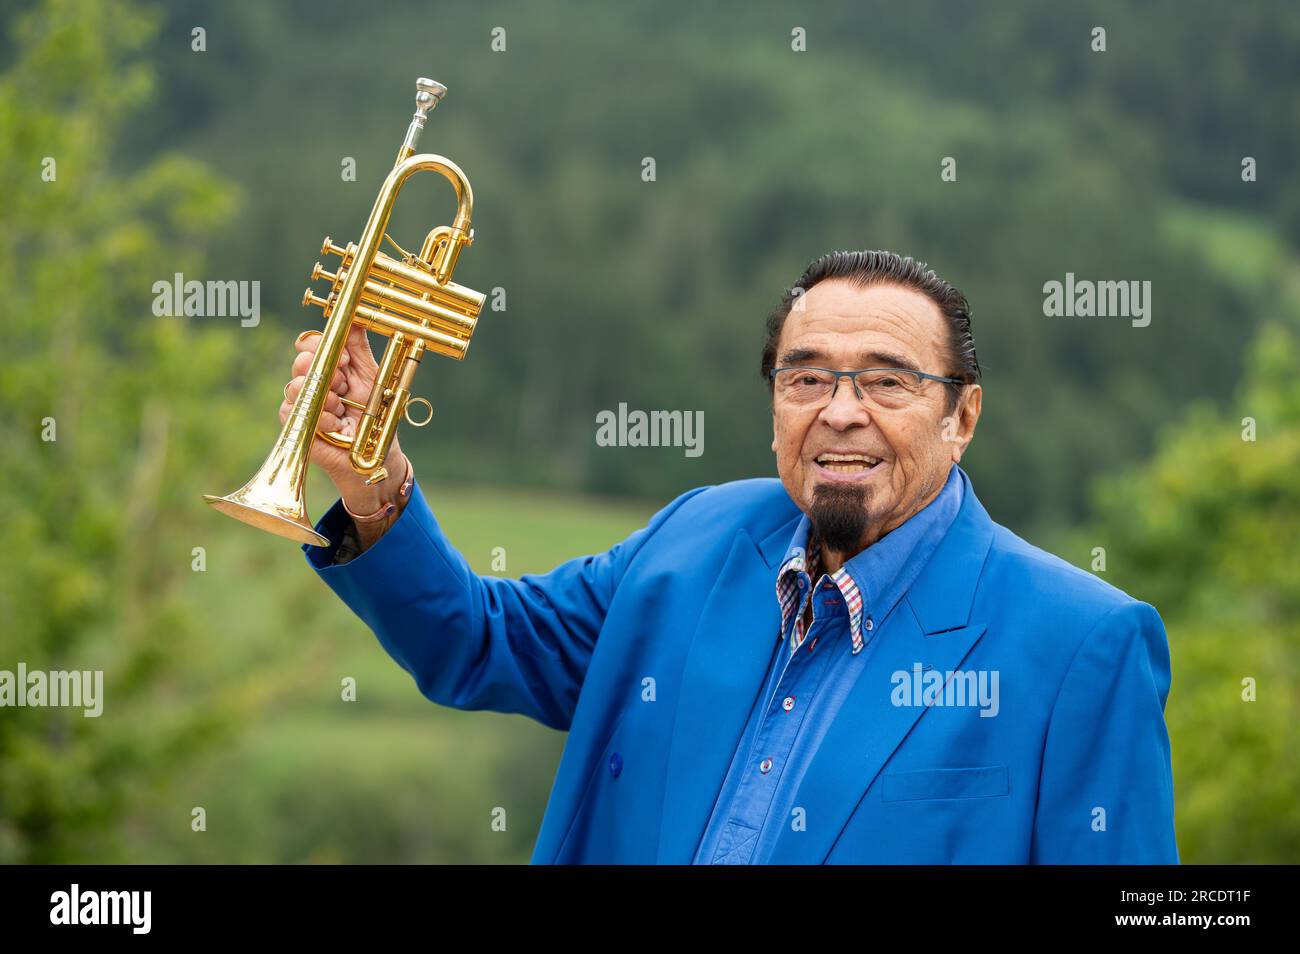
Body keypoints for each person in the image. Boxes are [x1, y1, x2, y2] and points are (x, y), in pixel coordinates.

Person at [283, 250, 1178, 864]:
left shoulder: (1081, 645)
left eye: (888, 381)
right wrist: (373, 473)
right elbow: (476, 643)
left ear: (963, 416)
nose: (839, 410)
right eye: (806, 377)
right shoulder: (694, 539)